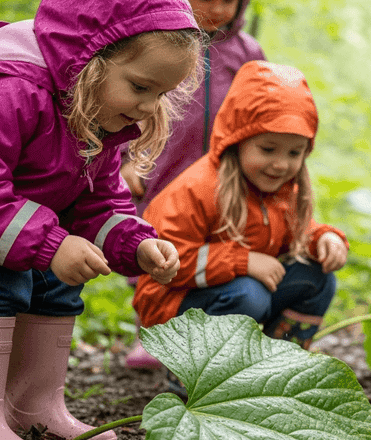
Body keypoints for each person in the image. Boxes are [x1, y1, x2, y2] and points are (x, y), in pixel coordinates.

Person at [0, 0, 201, 440]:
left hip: (19, 234)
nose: (148, 107)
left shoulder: (93, 115)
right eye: (140, 87)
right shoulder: (11, 89)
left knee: (59, 282)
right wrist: (51, 244)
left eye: (161, 94)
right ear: (88, 59)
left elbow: (100, 201)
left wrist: (134, 242)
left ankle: (32, 406)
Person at [132, 61, 349, 400]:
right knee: (249, 294)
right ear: (238, 140)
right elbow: (164, 262)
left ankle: (275, 371)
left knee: (317, 276)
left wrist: (324, 238)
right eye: (268, 149)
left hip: (233, 293)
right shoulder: (199, 187)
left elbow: (297, 232)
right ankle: (195, 377)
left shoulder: (282, 189)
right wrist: (242, 262)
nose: (281, 164)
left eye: (294, 153)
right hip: (173, 305)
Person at [122, 0, 266, 370]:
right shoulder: (155, 39)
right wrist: (124, 158)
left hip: (219, 175)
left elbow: (257, 107)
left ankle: (201, 333)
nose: (218, 9)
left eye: (228, 1)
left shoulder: (246, 52)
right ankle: (151, 329)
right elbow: (126, 97)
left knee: (210, 245)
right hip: (161, 165)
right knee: (153, 241)